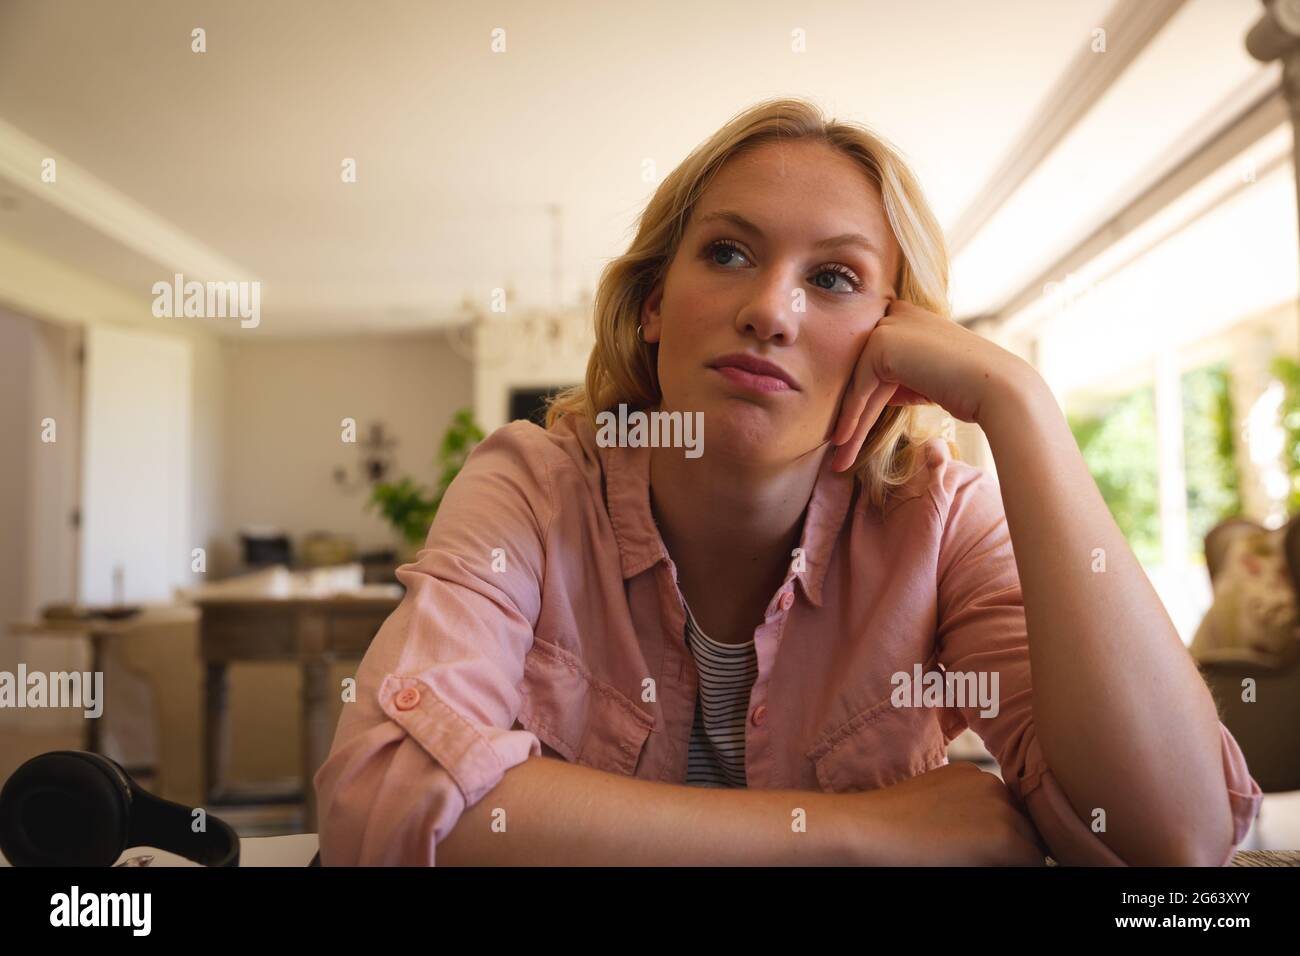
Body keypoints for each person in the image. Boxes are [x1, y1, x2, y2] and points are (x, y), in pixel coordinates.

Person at [314, 97, 1262, 866]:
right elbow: (380, 800)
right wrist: (858, 834)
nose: (770, 309)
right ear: (653, 306)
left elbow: (1173, 840)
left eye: (836, 278)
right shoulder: (531, 485)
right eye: (728, 253)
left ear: (899, 344)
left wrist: (1021, 406)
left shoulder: (941, 520)